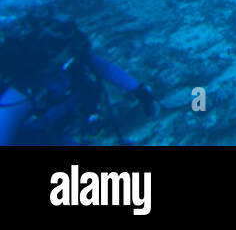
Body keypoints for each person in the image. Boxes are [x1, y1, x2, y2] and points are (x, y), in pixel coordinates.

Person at [0, 9, 156, 145]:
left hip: (56, 136)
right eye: (67, 48)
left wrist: (138, 90)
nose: (75, 52)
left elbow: (104, 68)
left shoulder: (72, 64)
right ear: (47, 55)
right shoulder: (20, 95)